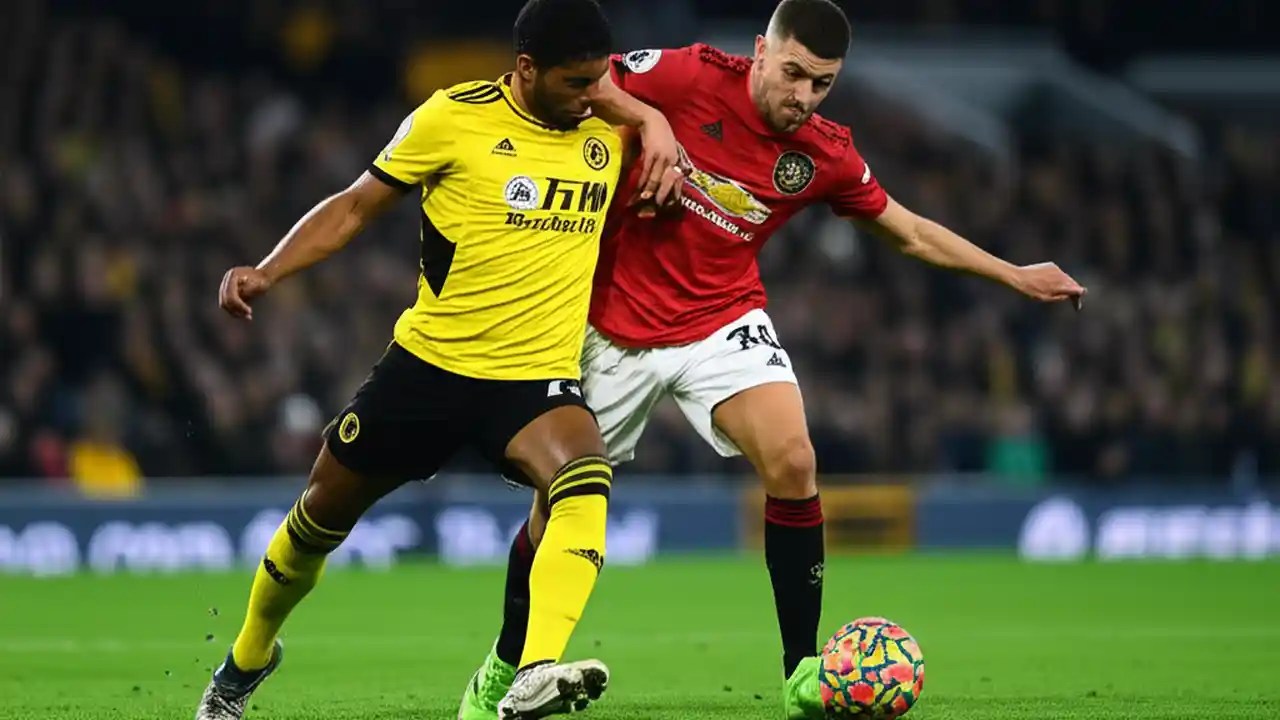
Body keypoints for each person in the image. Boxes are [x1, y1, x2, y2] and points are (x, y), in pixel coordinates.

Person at [457, 1, 1088, 719]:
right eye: (792, 74)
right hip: (610, 325)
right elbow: (590, 83)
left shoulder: (824, 152)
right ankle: (507, 666)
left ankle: (800, 674)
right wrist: (650, 121)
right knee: (555, 507)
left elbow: (907, 232)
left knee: (793, 459)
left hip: (720, 319)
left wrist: (1014, 274)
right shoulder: (689, 75)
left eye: (822, 84)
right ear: (761, 51)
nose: (803, 96)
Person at [193, 1, 687, 718]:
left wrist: (651, 121)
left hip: (532, 378)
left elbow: (649, 145)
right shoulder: (452, 118)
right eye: (577, 83)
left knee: (584, 476)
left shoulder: (611, 130)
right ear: (527, 69)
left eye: (600, 82)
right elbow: (356, 207)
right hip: (427, 371)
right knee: (317, 518)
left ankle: (533, 670)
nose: (593, 96)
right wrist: (268, 271)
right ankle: (244, 663)